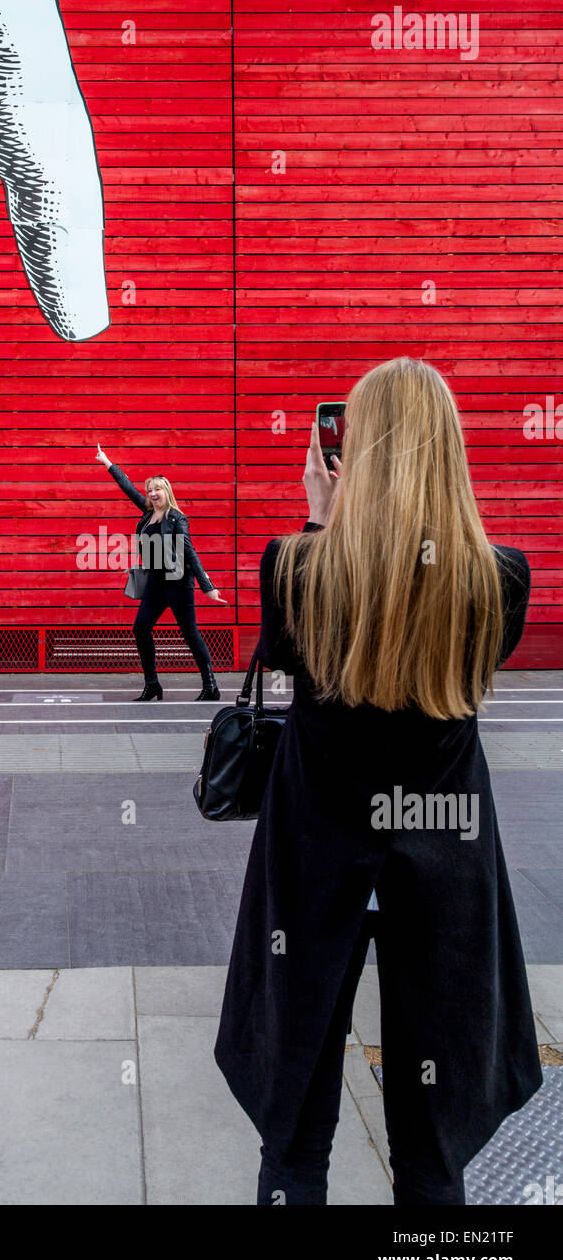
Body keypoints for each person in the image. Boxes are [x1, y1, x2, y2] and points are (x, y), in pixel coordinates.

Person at [214, 356, 542, 1206]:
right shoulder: (496, 581)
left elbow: (291, 650)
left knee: (295, 1134)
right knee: (432, 1154)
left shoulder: (296, 568)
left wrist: (323, 523)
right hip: (443, 872)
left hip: (316, 868)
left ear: (352, 456)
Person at [95, 443, 228, 700]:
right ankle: (152, 684)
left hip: (178, 583)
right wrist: (107, 462)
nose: (153, 493)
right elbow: (127, 488)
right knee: (141, 628)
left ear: (167, 492)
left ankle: (211, 686)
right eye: (150, 490)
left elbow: (189, 552)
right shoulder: (147, 514)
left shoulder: (177, 518)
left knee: (190, 633)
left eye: (157, 489)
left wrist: (208, 586)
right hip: (156, 584)